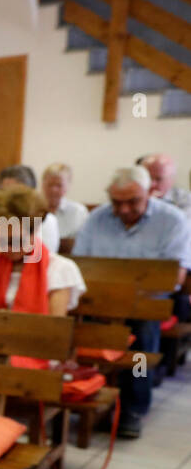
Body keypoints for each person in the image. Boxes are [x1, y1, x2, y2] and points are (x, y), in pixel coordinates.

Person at [74, 165, 191, 438]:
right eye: (117, 202)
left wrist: (131, 298)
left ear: (150, 192)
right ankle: (88, 399)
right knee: (78, 332)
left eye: (132, 202)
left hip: (147, 304)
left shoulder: (172, 220)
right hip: (100, 302)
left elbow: (174, 276)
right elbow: (81, 264)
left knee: (140, 346)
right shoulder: (97, 219)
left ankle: (133, 408)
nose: (124, 209)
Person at [0, 186, 86, 317]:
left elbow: (54, 328)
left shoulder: (60, 269)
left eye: (15, 241)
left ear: (36, 229)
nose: (8, 249)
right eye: (0, 241)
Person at [0, 165, 60, 255]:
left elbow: (44, 257)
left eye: (15, 194)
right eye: (3, 191)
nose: (6, 197)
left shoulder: (46, 220)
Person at [41, 162, 89, 253]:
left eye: (59, 185)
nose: (53, 190)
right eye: (50, 185)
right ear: (42, 184)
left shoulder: (78, 211)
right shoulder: (32, 210)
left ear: (68, 186)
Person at [140, 153, 191, 218]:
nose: (152, 183)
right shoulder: (131, 196)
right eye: (148, 177)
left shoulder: (185, 199)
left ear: (171, 179)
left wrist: (154, 203)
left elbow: (180, 225)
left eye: (158, 179)